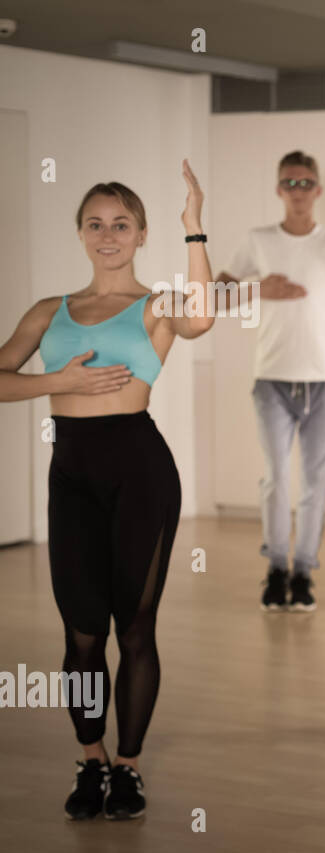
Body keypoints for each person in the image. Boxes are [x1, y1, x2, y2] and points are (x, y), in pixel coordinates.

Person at [0, 163, 214, 819]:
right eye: (96, 223)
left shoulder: (157, 306)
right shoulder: (48, 311)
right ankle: (90, 759)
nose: (108, 234)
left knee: (136, 626)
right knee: (83, 632)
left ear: (142, 232)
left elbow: (203, 320)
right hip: (72, 476)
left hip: (141, 471)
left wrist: (194, 229)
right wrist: (56, 384)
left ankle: (128, 766)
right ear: (81, 233)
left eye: (121, 223)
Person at [215, 151, 325, 612]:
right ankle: (275, 569)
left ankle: (302, 573)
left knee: (315, 480)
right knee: (277, 478)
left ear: (318, 190)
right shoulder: (258, 241)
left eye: (305, 182)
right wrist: (258, 289)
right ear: (279, 190)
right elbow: (215, 295)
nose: (298, 190)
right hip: (271, 380)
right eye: (289, 183)